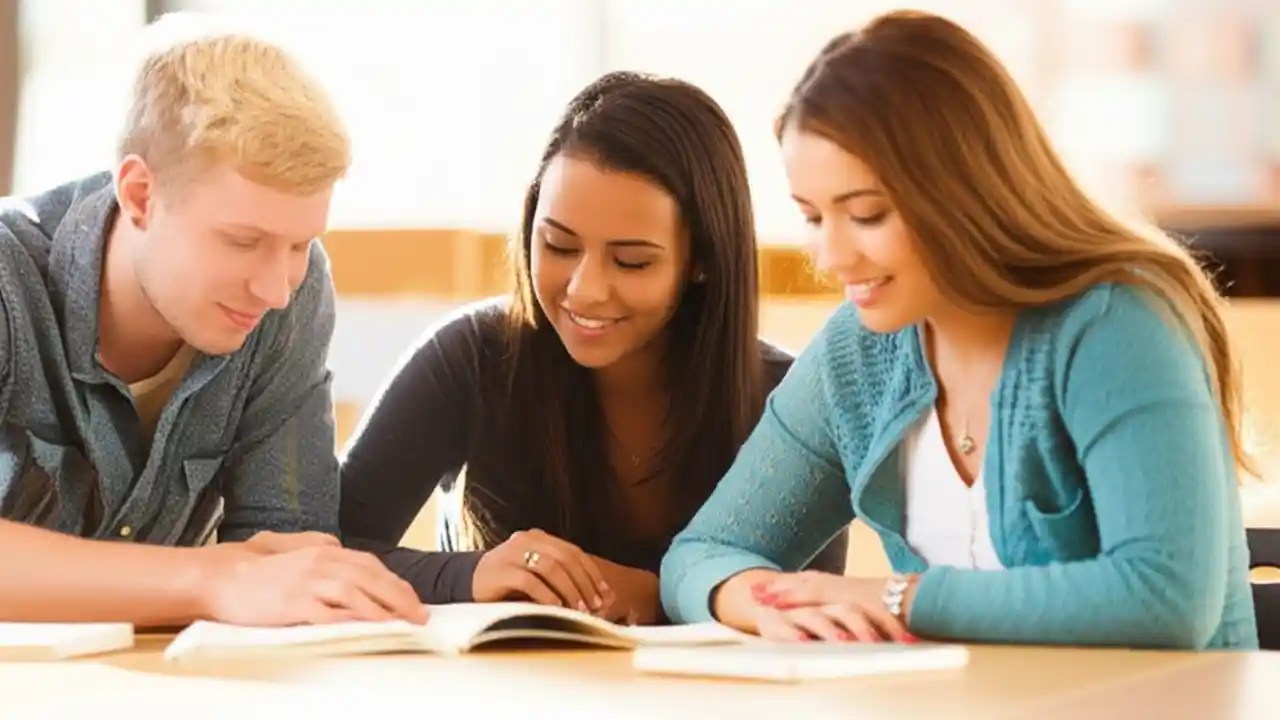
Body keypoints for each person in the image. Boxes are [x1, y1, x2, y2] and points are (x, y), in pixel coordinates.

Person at [660, 11, 1258, 650]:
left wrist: (896, 599)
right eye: (812, 217)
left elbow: (1165, 599)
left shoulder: (1114, 325)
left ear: (964, 191)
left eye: (867, 215)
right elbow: (702, 553)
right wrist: (770, 606)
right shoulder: (858, 354)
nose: (831, 256)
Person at [339, 71, 847, 624]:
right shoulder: (472, 358)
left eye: (632, 261)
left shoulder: (787, 406)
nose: (584, 290)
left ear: (701, 261)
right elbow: (326, 551)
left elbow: (803, 606)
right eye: (558, 245)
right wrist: (471, 575)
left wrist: (662, 598)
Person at [0, 13, 424, 627]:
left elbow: (288, 555)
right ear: (141, 195)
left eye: (300, 243)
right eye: (242, 241)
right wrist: (205, 579)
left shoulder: (293, 295)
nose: (275, 290)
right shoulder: (8, 277)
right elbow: (239, 579)